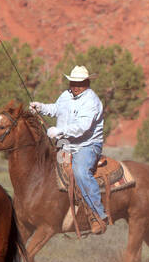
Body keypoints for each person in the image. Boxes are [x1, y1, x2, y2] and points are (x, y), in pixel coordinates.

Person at [30, 66, 109, 234]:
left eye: (79, 83)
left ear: (87, 83)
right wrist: (42, 107)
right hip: (65, 144)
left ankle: (98, 214)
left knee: (80, 172)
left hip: (86, 145)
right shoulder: (66, 95)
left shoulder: (91, 101)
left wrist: (60, 131)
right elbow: (57, 109)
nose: (75, 86)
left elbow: (83, 127)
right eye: (73, 82)